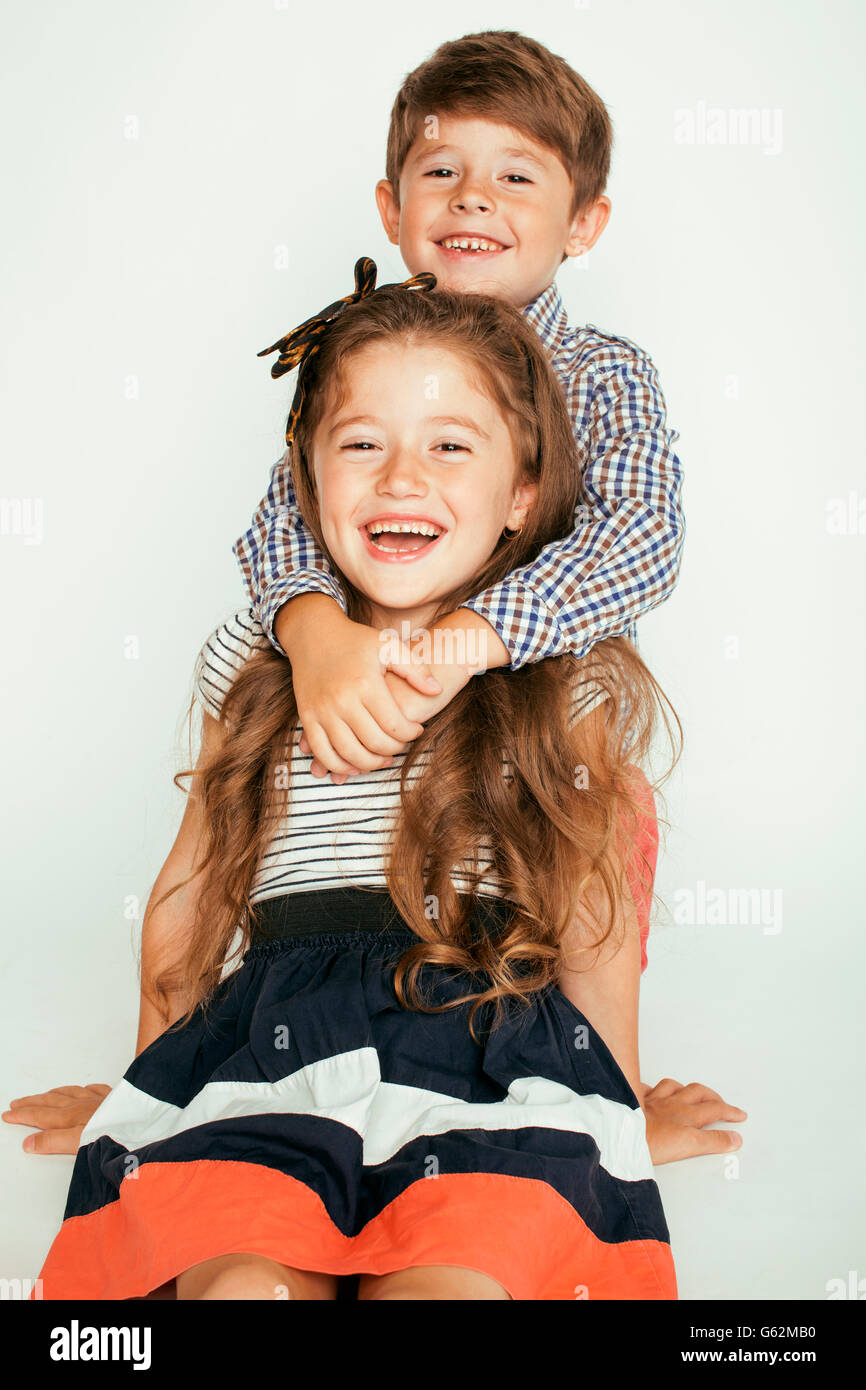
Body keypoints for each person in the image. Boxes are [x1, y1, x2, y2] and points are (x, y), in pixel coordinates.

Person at [14, 270, 745, 1301]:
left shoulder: (556, 671)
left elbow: (596, 912)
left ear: (521, 497)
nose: (403, 475)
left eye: (450, 445)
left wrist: (609, 1111)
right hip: (278, 1035)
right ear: (307, 487)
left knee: (449, 1288)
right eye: (362, 444)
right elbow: (187, 897)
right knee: (238, 1286)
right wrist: (153, 1095)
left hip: (484, 1034)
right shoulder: (262, 655)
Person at [235, 29, 686, 791]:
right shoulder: (355, 364)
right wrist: (312, 632)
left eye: (516, 177)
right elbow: (289, 516)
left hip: (551, 759)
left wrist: (465, 642)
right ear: (392, 207)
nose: (472, 195)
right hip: (372, 736)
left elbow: (641, 533)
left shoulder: (604, 374)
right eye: (442, 169)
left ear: (584, 222)